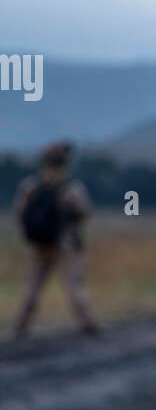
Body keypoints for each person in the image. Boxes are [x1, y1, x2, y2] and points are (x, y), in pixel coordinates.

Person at [12, 141, 100, 338]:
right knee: (75, 287)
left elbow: (19, 213)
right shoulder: (71, 188)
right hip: (64, 244)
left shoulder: (31, 186)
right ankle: (88, 324)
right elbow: (84, 212)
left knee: (32, 287)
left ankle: (20, 326)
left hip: (38, 245)